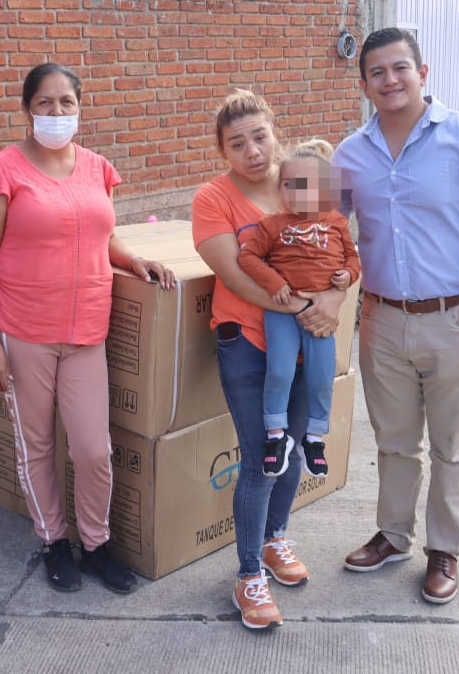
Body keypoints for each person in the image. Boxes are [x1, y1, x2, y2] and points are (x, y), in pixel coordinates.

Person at [334, 28, 459, 604]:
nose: (390, 80)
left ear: (424, 72)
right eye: (377, 72)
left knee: (452, 443)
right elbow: (317, 228)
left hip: (458, 317)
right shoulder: (350, 153)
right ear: (364, 82)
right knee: (394, 440)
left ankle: (444, 549)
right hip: (382, 318)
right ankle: (393, 535)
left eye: (400, 68)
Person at [0, 63, 175, 596]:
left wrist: (134, 261)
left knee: (92, 449)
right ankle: (54, 542)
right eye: (44, 103)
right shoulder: (2, 171)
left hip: (87, 332)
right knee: (36, 445)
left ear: (80, 108)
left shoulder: (98, 168)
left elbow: (98, 236)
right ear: (26, 109)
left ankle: (96, 544)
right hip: (25, 332)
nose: (56, 113)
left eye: (66, 103)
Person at [192, 90, 347, 630]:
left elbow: (345, 247)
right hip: (249, 345)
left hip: (312, 342)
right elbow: (234, 274)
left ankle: (277, 537)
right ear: (222, 151)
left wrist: (333, 299)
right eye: (237, 143)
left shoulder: (303, 178)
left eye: (259, 136)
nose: (252, 150)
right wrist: (307, 306)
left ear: (274, 131)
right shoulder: (214, 199)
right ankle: (247, 573)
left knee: (299, 450)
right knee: (262, 458)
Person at [238, 139, 360, 480]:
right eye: (288, 185)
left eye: (305, 185)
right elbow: (248, 257)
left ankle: (314, 437)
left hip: (320, 315)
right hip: (282, 313)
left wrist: (347, 275)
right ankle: (276, 435)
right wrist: (275, 283)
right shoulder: (272, 225)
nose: (295, 192)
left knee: (322, 375)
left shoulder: (335, 222)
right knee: (279, 370)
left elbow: (352, 258)